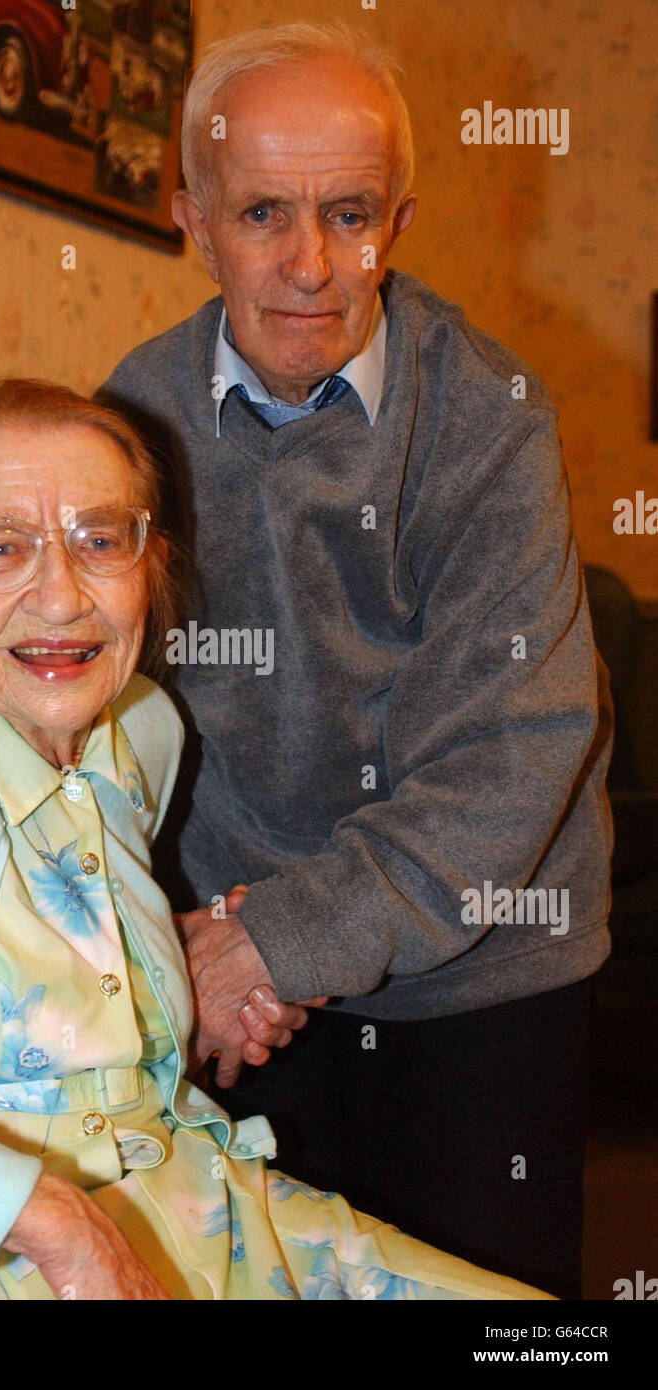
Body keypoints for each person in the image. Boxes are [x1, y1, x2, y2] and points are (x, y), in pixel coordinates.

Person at [0, 378, 551, 1301]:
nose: (61, 597)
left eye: (100, 540)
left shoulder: (141, 727)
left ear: (149, 567)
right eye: (0, 548)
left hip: (196, 1204)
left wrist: (174, 992)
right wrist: (52, 1220)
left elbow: (75, 1037)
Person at [98, 22, 614, 1300]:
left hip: (478, 970)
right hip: (232, 970)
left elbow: (510, 752)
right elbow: (100, 707)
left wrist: (282, 939)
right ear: (193, 221)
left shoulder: (488, 418)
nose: (311, 264)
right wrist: (192, 944)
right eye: (262, 213)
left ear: (398, 222)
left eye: (349, 213)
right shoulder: (130, 415)